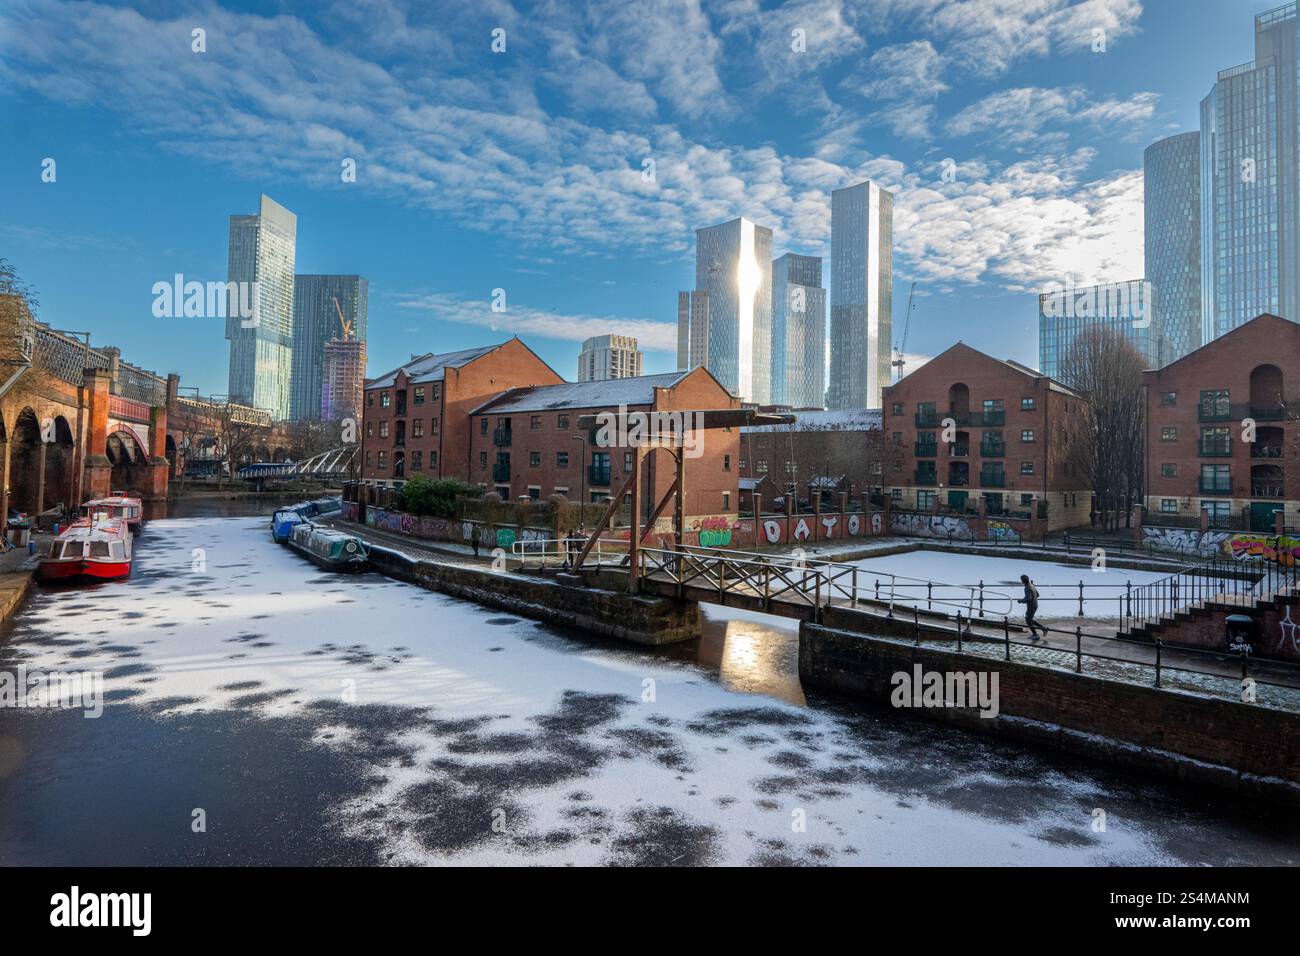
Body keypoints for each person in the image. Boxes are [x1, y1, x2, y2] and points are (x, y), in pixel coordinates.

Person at [1017, 574, 1044, 640]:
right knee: (1029, 619)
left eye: (1021, 580)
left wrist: (1021, 601)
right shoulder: (1032, 585)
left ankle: (1035, 635)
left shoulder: (1027, 588)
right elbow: (1037, 595)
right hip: (1035, 605)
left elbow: (1028, 599)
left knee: (1028, 620)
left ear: (1023, 581)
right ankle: (1043, 629)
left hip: (1031, 606)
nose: (1021, 581)